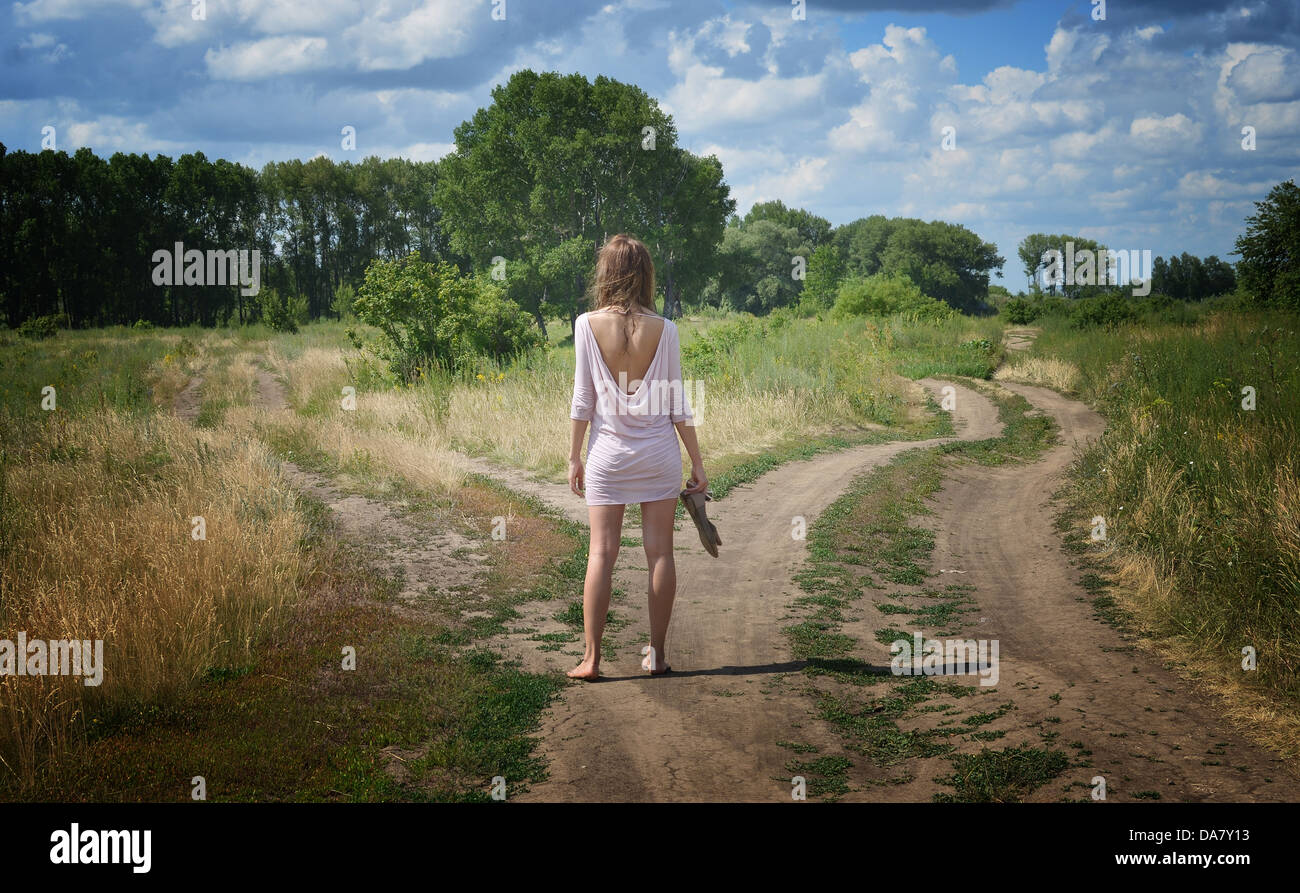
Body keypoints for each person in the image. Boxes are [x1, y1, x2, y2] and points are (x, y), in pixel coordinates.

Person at [566, 234, 707, 681]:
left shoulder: (586, 324)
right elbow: (678, 404)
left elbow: (582, 399)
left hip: (608, 456)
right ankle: (658, 656)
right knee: (660, 553)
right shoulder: (665, 329)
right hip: (659, 456)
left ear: (606, 272)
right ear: (645, 273)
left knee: (601, 554)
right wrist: (697, 463)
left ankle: (591, 660)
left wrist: (574, 457)